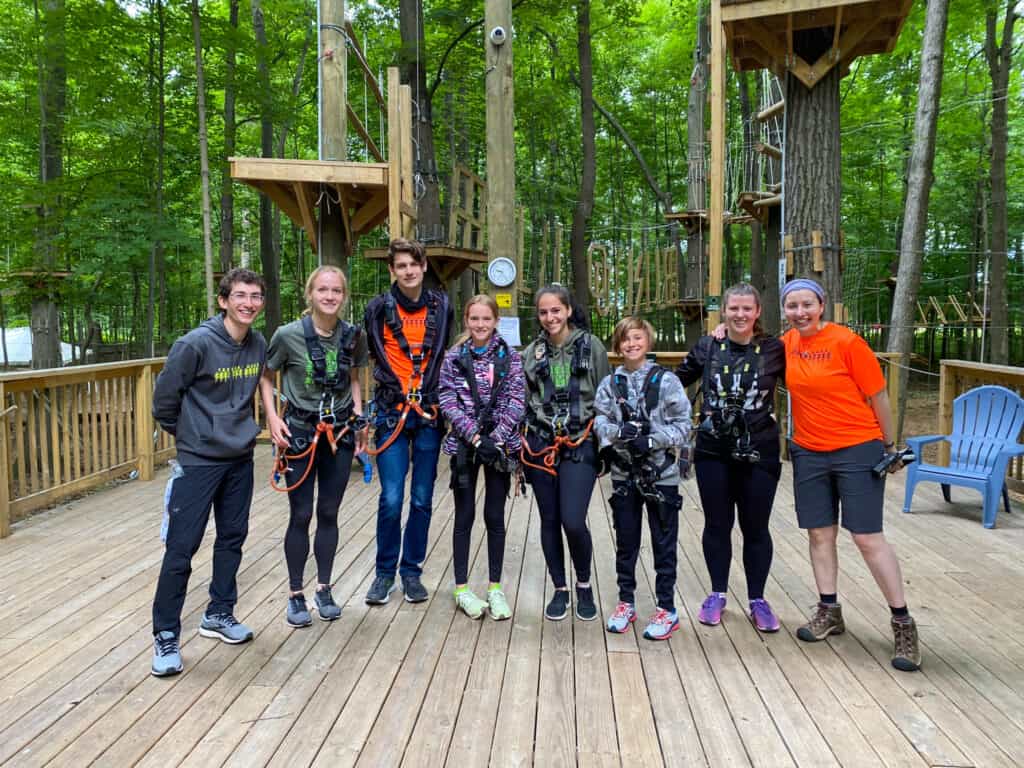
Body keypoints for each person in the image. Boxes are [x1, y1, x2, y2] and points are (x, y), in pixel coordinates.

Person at [781, 277, 920, 671]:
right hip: (809, 450)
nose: (800, 312)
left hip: (857, 448)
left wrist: (890, 447)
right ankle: (829, 610)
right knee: (820, 533)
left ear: (821, 305)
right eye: (792, 306)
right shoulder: (787, 344)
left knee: (866, 537)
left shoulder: (847, 342)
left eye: (807, 304)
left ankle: (903, 622)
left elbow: (878, 395)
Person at [150, 268, 268, 677]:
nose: (248, 303)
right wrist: (191, 436)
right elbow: (164, 402)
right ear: (223, 300)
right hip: (199, 462)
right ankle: (165, 634)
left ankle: (219, 613)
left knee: (232, 538)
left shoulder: (257, 344)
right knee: (182, 547)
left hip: (240, 458)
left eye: (255, 296)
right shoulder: (194, 344)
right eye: (240, 295)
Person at [262, 266, 369, 628]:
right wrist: (272, 420)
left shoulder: (353, 336)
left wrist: (358, 417)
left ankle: (324, 587)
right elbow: (265, 376)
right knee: (301, 514)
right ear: (310, 293)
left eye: (336, 290)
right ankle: (295, 594)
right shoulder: (287, 336)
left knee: (329, 512)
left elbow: (354, 379)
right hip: (301, 432)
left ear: (344, 295)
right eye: (322, 289)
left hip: (337, 433)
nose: (329, 296)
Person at [676, 283, 786, 632]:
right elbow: (676, 381)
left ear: (757, 313)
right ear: (723, 311)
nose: (739, 315)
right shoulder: (708, 346)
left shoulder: (774, 349)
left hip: (760, 450)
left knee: (756, 527)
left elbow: (808, 385)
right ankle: (717, 593)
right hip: (713, 450)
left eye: (746, 309)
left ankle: (758, 599)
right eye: (733, 308)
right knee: (717, 524)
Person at [363, 238, 454, 605]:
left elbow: (442, 354)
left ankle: (411, 571)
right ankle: (384, 573)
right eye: (400, 266)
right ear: (392, 270)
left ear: (424, 266)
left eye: (413, 264)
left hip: (429, 412)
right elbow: (374, 353)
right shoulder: (377, 309)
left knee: (421, 497)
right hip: (391, 412)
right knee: (391, 496)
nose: (408, 271)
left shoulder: (441, 306)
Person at [595, 317, 690, 640]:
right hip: (624, 473)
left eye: (637, 338)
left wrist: (652, 439)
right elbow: (600, 423)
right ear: (618, 345)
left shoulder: (666, 382)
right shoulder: (610, 385)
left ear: (647, 342)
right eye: (625, 339)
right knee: (626, 541)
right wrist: (618, 433)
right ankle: (626, 601)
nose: (631, 345)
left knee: (664, 542)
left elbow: (682, 425)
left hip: (661, 474)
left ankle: (667, 608)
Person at [521, 285, 610, 621]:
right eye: (543, 312)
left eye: (556, 310)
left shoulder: (591, 348)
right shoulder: (532, 353)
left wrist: (606, 447)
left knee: (573, 519)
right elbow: (522, 396)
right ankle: (560, 587)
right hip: (542, 443)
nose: (550, 318)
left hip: (580, 442)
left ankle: (584, 582)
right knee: (550, 519)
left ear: (569, 310)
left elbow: (606, 396)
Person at [438, 295, 526, 620]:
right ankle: (461, 588)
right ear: (466, 320)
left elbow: (517, 399)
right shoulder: (454, 358)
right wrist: (475, 438)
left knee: (494, 514)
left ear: (495, 321)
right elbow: (447, 399)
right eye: (474, 319)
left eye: (486, 319)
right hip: (465, 444)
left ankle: (494, 586)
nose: (480, 325)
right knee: (464, 515)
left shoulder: (510, 358)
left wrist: (496, 438)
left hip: (499, 445)